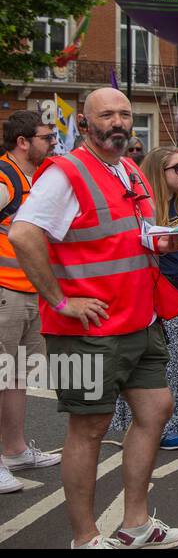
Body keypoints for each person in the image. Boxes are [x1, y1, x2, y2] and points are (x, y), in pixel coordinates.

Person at [10, 87, 178, 548]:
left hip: (141, 320)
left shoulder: (128, 168)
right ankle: (85, 537)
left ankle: (136, 523)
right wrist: (61, 300)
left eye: (125, 114)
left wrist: (161, 241)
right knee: (89, 428)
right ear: (86, 124)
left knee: (156, 410)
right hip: (85, 329)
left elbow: (126, 234)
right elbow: (25, 234)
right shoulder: (66, 173)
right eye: (106, 114)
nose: (119, 121)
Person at [112, 146, 178, 450]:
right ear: (159, 173)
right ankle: (164, 424)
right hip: (166, 292)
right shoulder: (147, 207)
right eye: (177, 168)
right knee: (170, 364)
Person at [0, 111, 62, 492]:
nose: (52, 143)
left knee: (16, 377)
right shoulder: (5, 176)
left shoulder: (32, 177)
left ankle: (15, 449)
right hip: (5, 291)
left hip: (26, 291)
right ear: (23, 141)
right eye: (46, 138)